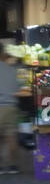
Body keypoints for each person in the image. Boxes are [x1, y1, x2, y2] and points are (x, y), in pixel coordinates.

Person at [0, 45, 19, 174]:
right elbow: (17, 88)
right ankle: (12, 166)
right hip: (11, 106)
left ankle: (1, 167)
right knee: (11, 136)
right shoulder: (11, 70)